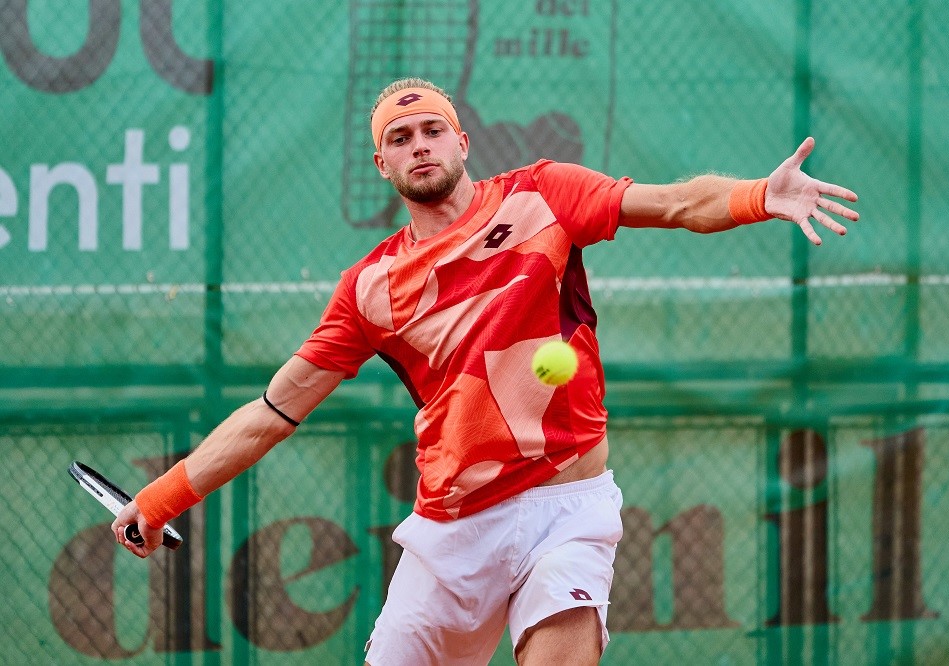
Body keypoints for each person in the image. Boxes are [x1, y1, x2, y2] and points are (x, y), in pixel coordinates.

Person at [113, 77, 859, 665]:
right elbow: (272, 411)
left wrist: (761, 196)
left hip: (568, 508)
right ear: (383, 164)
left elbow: (673, 204)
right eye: (400, 138)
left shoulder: (543, 194)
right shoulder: (369, 290)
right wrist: (162, 496)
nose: (419, 144)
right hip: (453, 529)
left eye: (432, 129)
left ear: (462, 139)